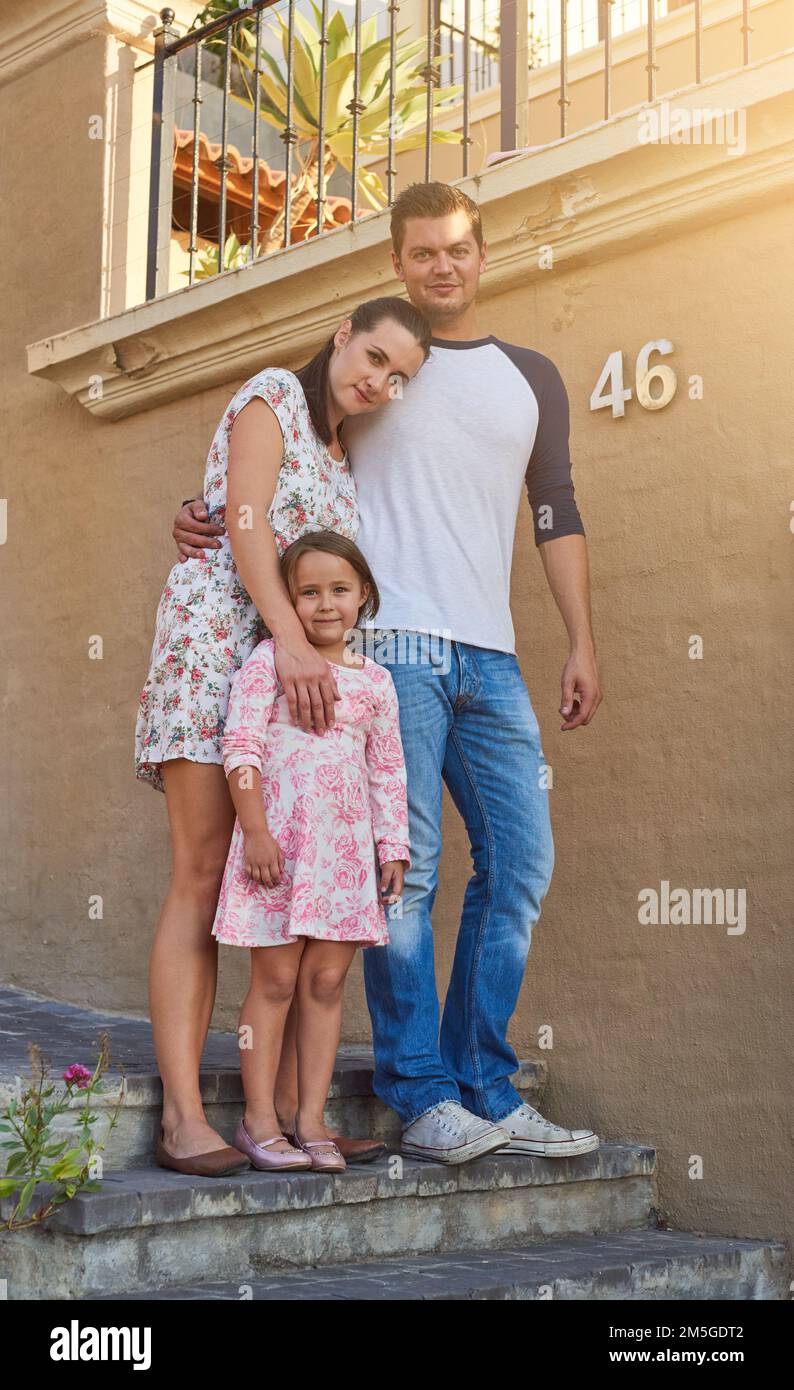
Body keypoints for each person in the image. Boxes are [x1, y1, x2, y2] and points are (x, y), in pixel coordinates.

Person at [173, 180, 604, 1167]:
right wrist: (195, 514)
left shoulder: (530, 376)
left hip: (491, 655)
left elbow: (556, 508)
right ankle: (420, 1089)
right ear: (397, 266)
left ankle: (485, 1082)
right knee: (398, 874)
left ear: (480, 255)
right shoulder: (367, 371)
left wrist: (579, 639)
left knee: (519, 866)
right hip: (389, 650)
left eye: (456, 249)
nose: (440, 265)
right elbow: (269, 461)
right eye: (420, 253)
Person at [137, 296, 430, 1176]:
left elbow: (268, 530)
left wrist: (303, 651)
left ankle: (297, 1119)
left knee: (283, 900)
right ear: (341, 332)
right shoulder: (272, 395)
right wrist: (295, 645)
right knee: (198, 871)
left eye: (397, 377)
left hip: (286, 676)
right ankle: (186, 1118)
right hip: (218, 649)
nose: (377, 381)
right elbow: (245, 521)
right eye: (372, 356)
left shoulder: (344, 460)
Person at [209, 532, 410, 1173]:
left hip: (345, 860)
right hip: (279, 850)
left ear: (364, 597)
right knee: (274, 982)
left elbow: (388, 770)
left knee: (324, 983)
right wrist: (257, 831)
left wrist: (392, 846)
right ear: (288, 602)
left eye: (340, 590)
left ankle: (311, 1119)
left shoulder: (376, 681)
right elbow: (241, 747)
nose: (325, 605)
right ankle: (258, 1121)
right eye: (309, 592)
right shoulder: (270, 662)